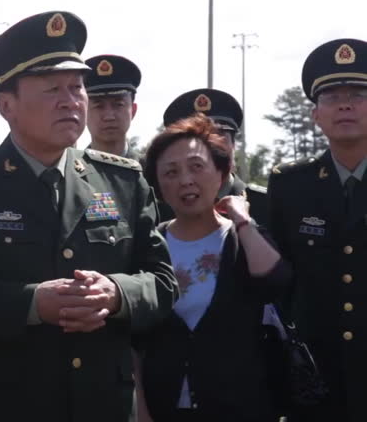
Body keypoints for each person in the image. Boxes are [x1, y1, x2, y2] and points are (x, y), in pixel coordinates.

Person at [0, 11, 177, 421]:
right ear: (6, 105)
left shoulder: (122, 180)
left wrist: (116, 293)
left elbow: (161, 280)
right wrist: (31, 303)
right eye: (52, 89)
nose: (70, 100)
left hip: (100, 403)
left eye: (76, 87)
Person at [137, 114, 291, 422]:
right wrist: (140, 412)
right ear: (158, 184)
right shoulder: (148, 246)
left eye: (197, 167)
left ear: (222, 173)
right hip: (164, 407)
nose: (185, 180)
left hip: (241, 407)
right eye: (171, 171)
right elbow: (133, 342)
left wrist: (243, 221)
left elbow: (276, 281)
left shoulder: (241, 239)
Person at [268, 38, 367, 422]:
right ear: (315, 115)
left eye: (358, 94)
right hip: (317, 381)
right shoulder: (290, 186)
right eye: (331, 97)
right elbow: (279, 284)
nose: (345, 104)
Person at [161, 89, 269, 226]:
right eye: (195, 140)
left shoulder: (266, 205)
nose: (209, 147)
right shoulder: (161, 209)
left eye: (218, 135)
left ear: (233, 144)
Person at [84, 54, 142, 160]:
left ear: (133, 111)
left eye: (118, 104)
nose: (109, 116)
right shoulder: (68, 173)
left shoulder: (152, 172)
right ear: (83, 113)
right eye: (99, 106)